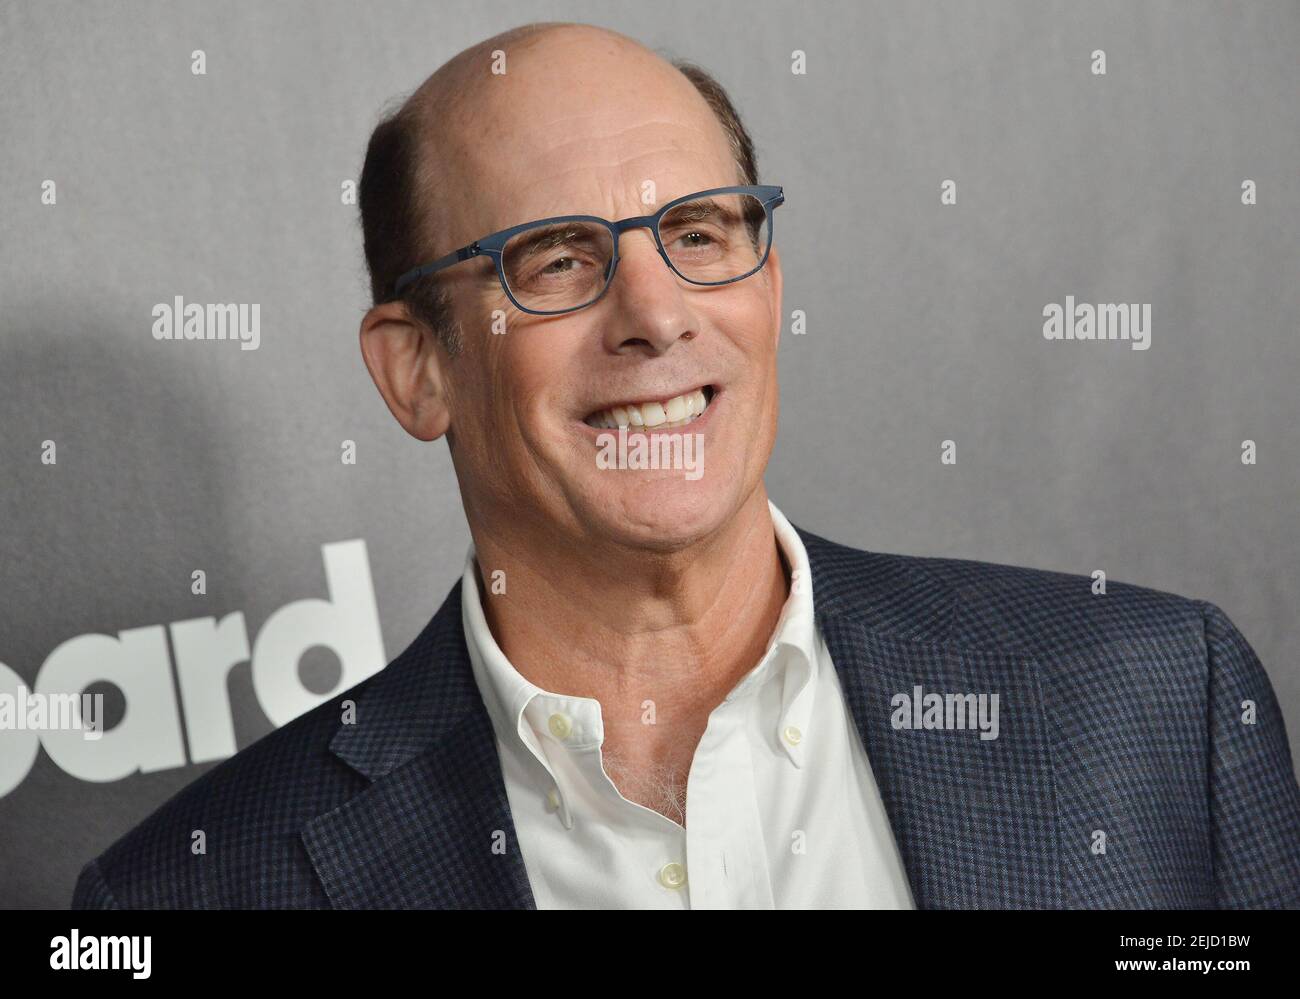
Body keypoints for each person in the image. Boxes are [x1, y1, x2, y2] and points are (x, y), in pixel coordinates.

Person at [73, 21, 1300, 910]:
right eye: (553, 259)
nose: (656, 316)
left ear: (770, 287)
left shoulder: (1151, 706)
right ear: (417, 371)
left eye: (699, 233)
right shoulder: (189, 894)